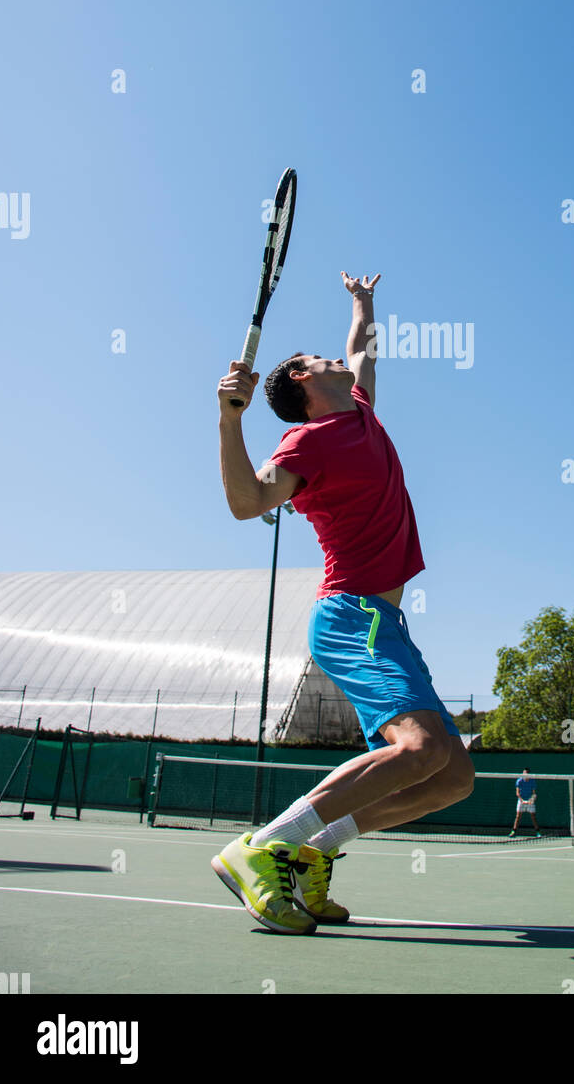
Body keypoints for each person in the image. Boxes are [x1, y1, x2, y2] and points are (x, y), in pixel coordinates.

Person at [214, 270, 474, 933]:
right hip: (350, 617)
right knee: (419, 748)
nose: (331, 355)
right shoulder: (305, 442)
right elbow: (247, 503)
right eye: (313, 355)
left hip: (385, 621)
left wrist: (363, 302)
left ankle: (313, 849)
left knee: (449, 774)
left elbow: (362, 347)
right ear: (301, 378)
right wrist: (228, 420)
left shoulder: (359, 408)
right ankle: (263, 845)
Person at [509, 768, 541, 838]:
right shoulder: (519, 781)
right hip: (521, 800)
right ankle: (513, 831)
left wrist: (531, 800)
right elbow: (517, 793)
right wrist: (522, 800)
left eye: (525, 773)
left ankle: (538, 832)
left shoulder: (532, 781)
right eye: (523, 773)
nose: (524, 775)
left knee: (533, 817)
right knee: (518, 816)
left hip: (530, 800)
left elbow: (534, 793)